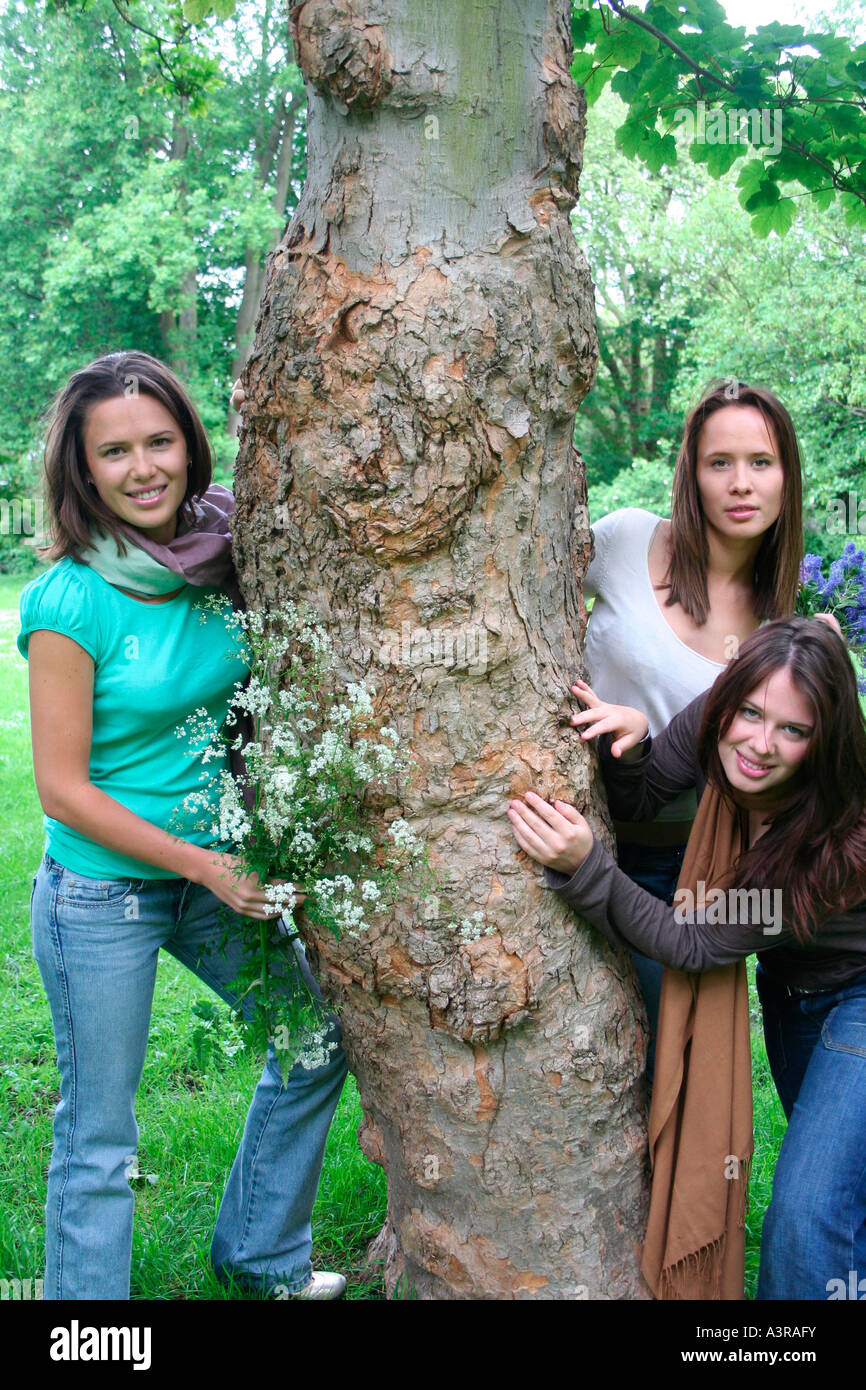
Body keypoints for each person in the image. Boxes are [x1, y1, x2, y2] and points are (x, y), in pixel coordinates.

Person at [19, 350, 349, 1301]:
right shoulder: (69, 600)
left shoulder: (219, 554)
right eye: (114, 451)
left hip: (214, 872)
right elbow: (61, 790)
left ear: (190, 444)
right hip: (102, 894)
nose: (144, 467)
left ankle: (260, 1255)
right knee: (99, 1130)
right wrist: (204, 865)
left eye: (159, 440)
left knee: (313, 1045)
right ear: (83, 471)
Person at [508, 618, 866, 1300]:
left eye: (794, 730)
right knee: (846, 1198)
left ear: (825, 742)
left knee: (808, 1209)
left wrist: (589, 870)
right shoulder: (715, 718)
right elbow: (642, 797)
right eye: (752, 714)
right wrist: (636, 741)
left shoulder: (841, 837)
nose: (760, 744)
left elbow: (694, 942)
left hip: (859, 999)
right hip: (796, 999)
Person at [580, 380, 805, 1080]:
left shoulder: (780, 629)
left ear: (787, 478)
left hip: (685, 867)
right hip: (566, 819)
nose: (741, 484)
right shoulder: (625, 540)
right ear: (691, 471)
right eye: (720, 462)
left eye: (762, 463)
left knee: (664, 1073)